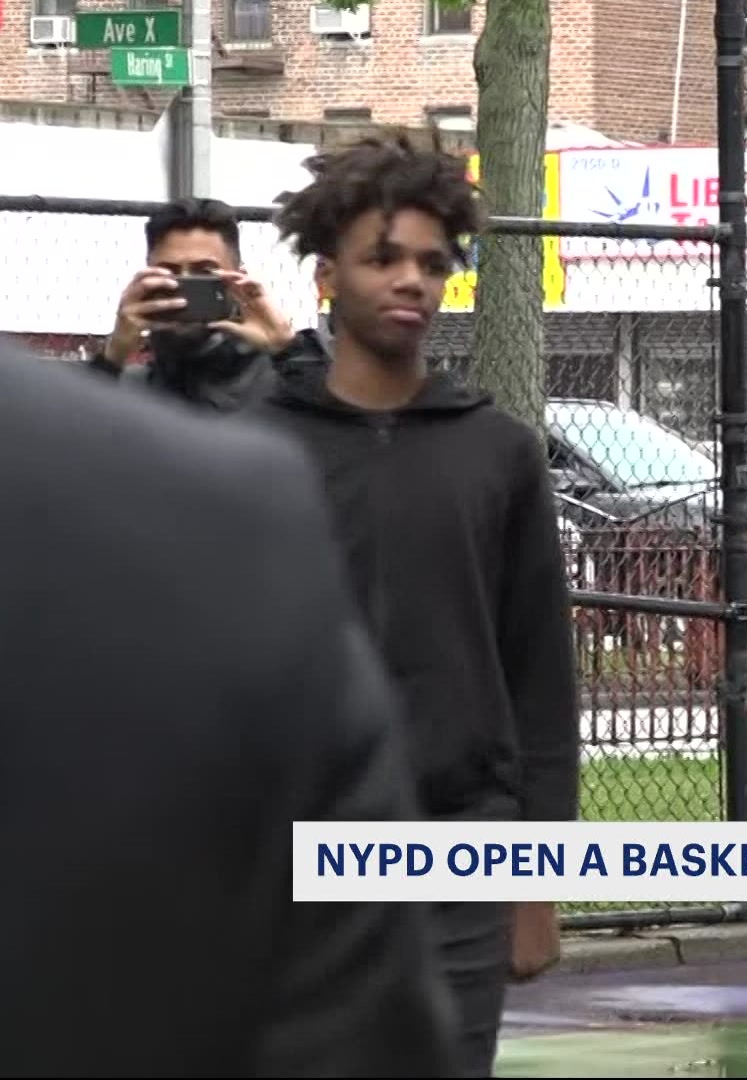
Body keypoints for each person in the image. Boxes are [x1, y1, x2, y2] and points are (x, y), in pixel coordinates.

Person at [0, 331, 459, 1076]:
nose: (188, 301)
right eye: (170, 278)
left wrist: (294, 347)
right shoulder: (213, 497)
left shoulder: (244, 475)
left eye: (208, 280)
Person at [249, 133, 581, 1077]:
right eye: (384, 257)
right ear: (327, 276)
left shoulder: (500, 454)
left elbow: (540, 679)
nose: (413, 281)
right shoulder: (257, 450)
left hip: (463, 852)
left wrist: (536, 880)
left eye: (434, 264)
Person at [86, 196, 323, 410]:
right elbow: (69, 443)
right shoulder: (124, 389)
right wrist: (112, 357)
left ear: (237, 278)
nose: (185, 287)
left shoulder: (281, 385)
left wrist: (287, 349)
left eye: (205, 272)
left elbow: (342, 431)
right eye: (170, 272)